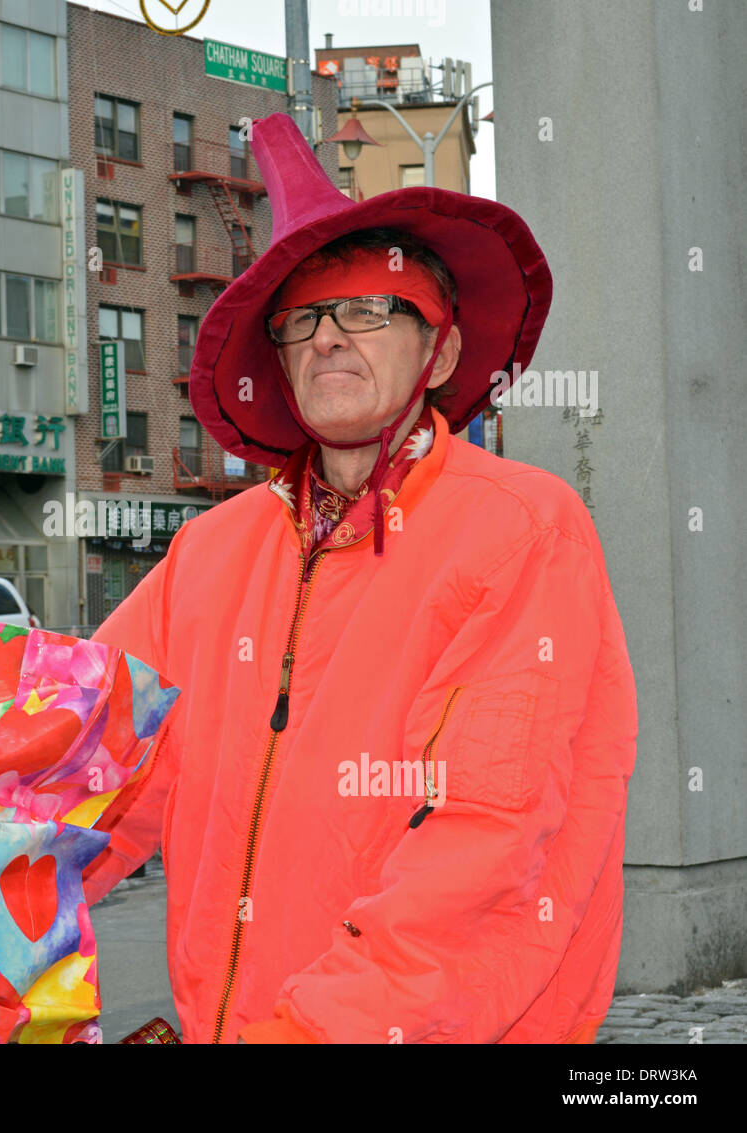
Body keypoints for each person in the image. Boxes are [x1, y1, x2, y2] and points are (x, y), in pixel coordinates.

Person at [81, 112, 637, 1044]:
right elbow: (81, 758)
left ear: (443, 352)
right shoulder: (209, 553)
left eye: (370, 309)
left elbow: (483, 857)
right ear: (282, 359)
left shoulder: (522, 529)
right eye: (303, 318)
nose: (330, 337)